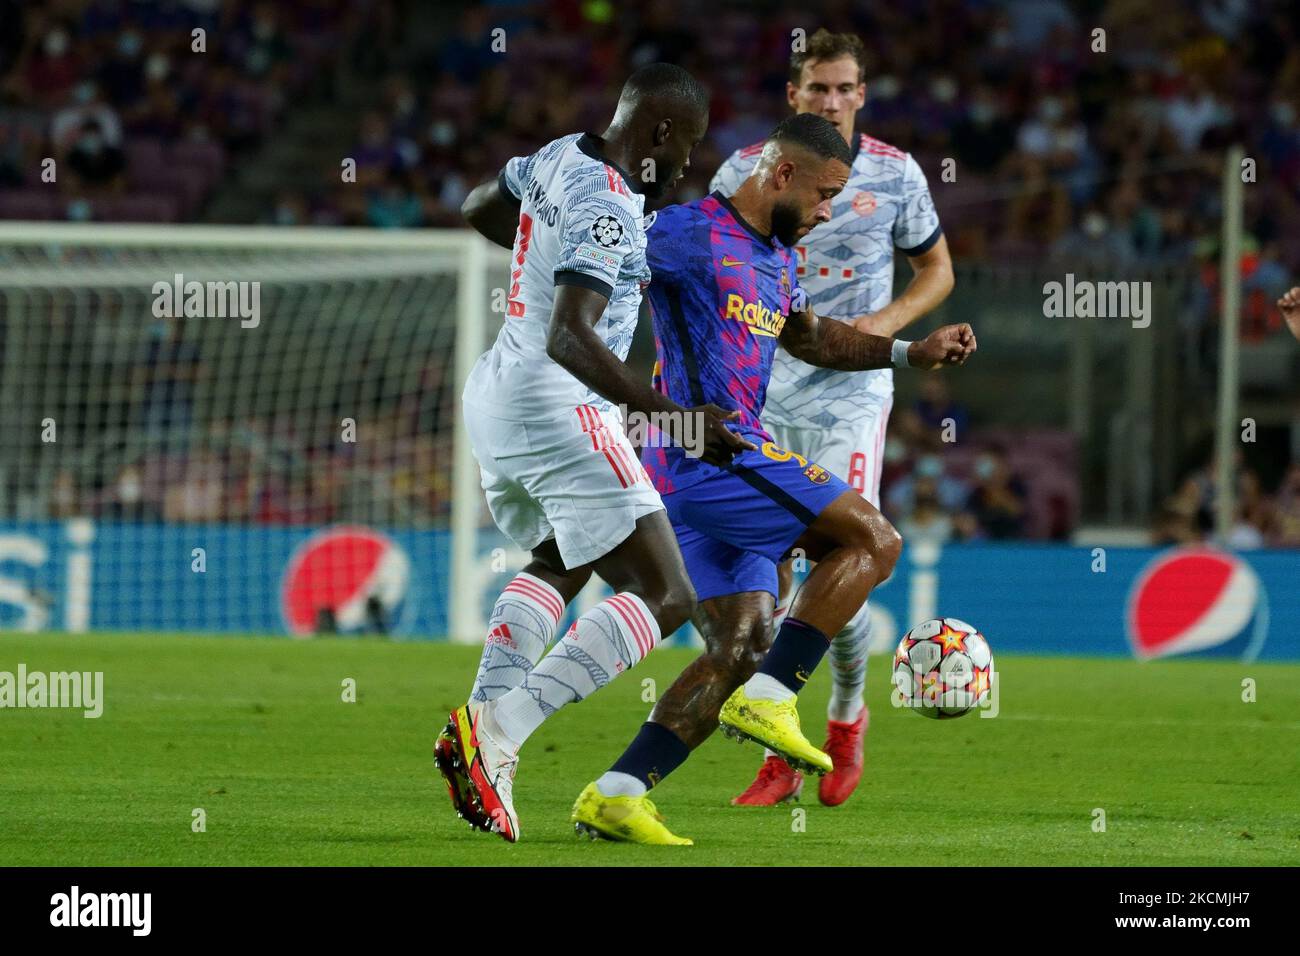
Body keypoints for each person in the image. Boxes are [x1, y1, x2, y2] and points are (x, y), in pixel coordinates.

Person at [569, 113, 975, 844]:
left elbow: (815, 338)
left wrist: (913, 353)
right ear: (781, 174)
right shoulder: (683, 233)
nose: (828, 212)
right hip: (707, 455)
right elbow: (587, 278)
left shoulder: (780, 260)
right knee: (874, 542)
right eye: (824, 195)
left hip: (703, 472)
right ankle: (774, 697)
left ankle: (619, 791)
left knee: (743, 641)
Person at [434, 63, 742, 844]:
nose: (687, 166)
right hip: (555, 404)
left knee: (558, 562)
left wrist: (544, 247)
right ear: (661, 133)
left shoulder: (556, 154)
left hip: (498, 396)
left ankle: (477, 735)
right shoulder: (608, 205)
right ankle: (501, 732)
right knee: (669, 595)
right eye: (689, 147)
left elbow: (477, 207)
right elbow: (570, 335)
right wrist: (677, 421)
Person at [709, 29, 954, 807]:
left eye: (845, 88)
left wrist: (884, 326)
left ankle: (845, 717)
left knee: (843, 560)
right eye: (818, 88)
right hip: (762, 390)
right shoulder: (747, 170)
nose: (833, 101)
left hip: (853, 389)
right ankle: (777, 748)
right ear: (794, 95)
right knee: (764, 576)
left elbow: (938, 270)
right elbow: (712, 267)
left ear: (861, 94)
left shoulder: (896, 173)